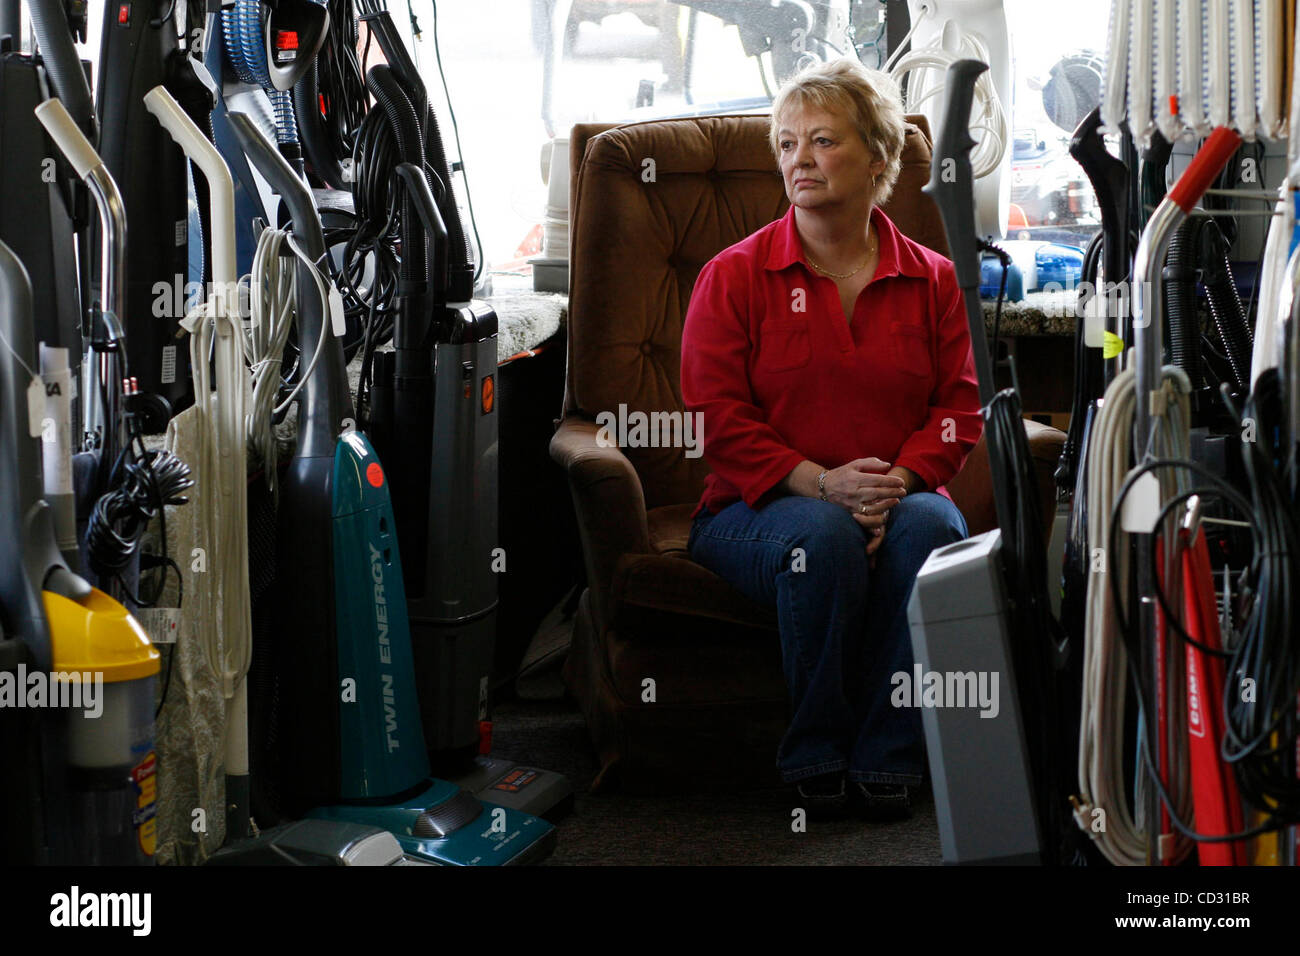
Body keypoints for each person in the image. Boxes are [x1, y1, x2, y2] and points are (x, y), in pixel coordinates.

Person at [681, 58, 983, 821]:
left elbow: (959, 409)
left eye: (821, 140)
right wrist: (824, 484)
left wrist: (899, 483)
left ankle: (889, 755)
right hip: (754, 511)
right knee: (821, 535)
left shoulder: (939, 280)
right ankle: (815, 748)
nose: (798, 159)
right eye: (786, 144)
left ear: (879, 157)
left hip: (899, 496)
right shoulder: (733, 276)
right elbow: (717, 419)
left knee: (936, 528)